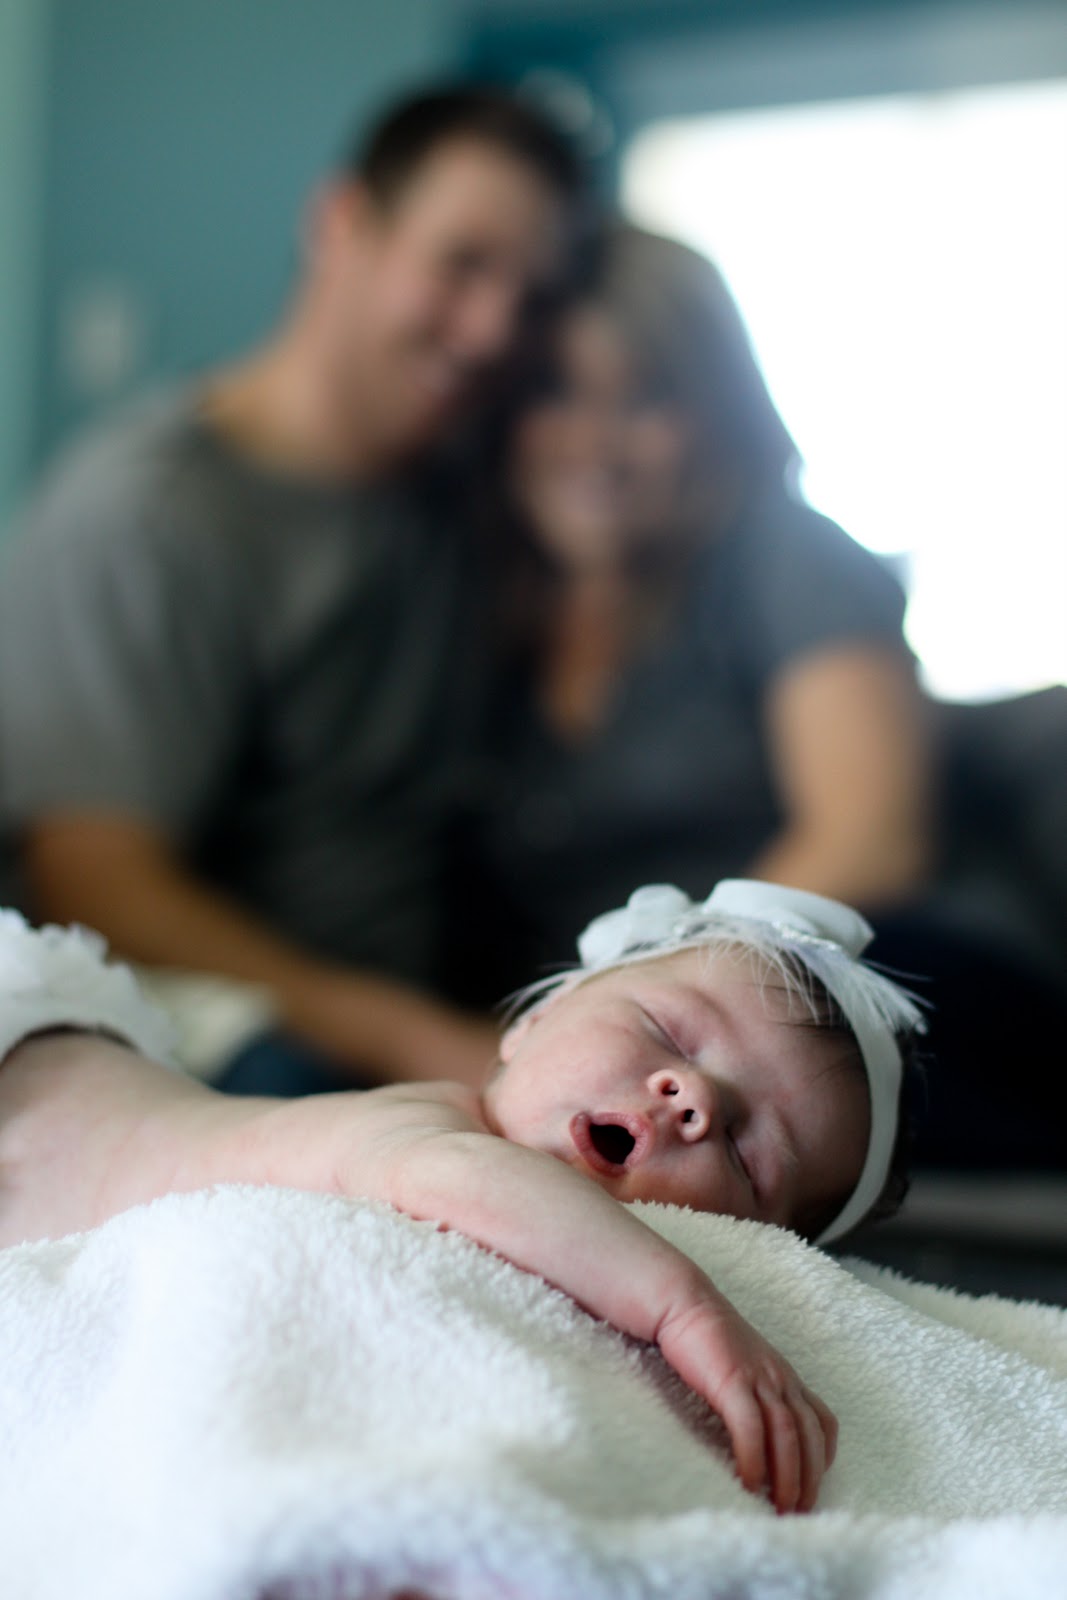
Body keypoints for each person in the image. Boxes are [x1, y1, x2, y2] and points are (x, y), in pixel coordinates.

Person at [0, 877, 923, 1515]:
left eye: (750, 1155)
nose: (694, 1099)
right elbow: (470, 1184)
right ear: (526, 1028)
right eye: (668, 1031)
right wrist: (685, 1308)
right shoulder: (434, 1131)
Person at [447, 221, 1067, 1170]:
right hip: (653, 1052)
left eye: (647, 397)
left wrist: (634, 1010)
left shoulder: (786, 554)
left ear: (714, 413)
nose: (595, 442)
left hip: (882, 984)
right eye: (556, 392)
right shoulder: (476, 610)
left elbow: (871, 843)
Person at [0, 84, 582, 1094]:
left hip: (446, 1007)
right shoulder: (148, 519)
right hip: (236, 1057)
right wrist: (414, 1043)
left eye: (528, 297)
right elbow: (97, 886)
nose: (492, 330)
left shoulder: (464, 490)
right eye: (461, 265)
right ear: (343, 223)